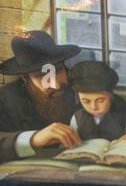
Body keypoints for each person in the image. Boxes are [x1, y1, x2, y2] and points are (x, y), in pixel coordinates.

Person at [0, 30, 84, 162]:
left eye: (58, 70)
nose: (55, 85)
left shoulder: (79, 87)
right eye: (41, 75)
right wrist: (33, 139)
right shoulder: (5, 100)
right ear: (25, 78)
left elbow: (116, 107)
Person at [66, 61, 126, 153]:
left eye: (100, 100)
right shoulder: (76, 118)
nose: (93, 107)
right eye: (86, 101)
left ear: (111, 95)